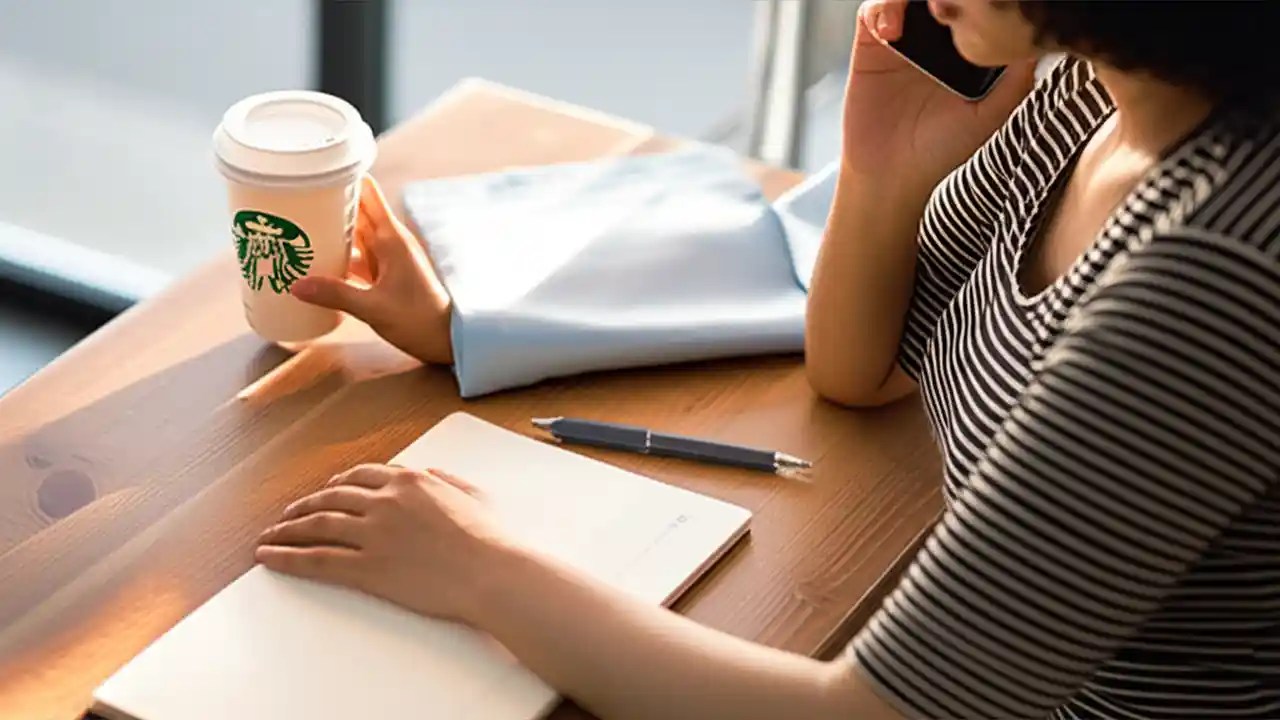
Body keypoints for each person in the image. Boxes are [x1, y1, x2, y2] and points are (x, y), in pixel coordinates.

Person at [262, 1, 1280, 717]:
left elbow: (874, 715)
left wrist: (480, 568)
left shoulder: (1212, 269)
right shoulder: (1099, 95)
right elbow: (862, 368)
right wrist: (880, 168)